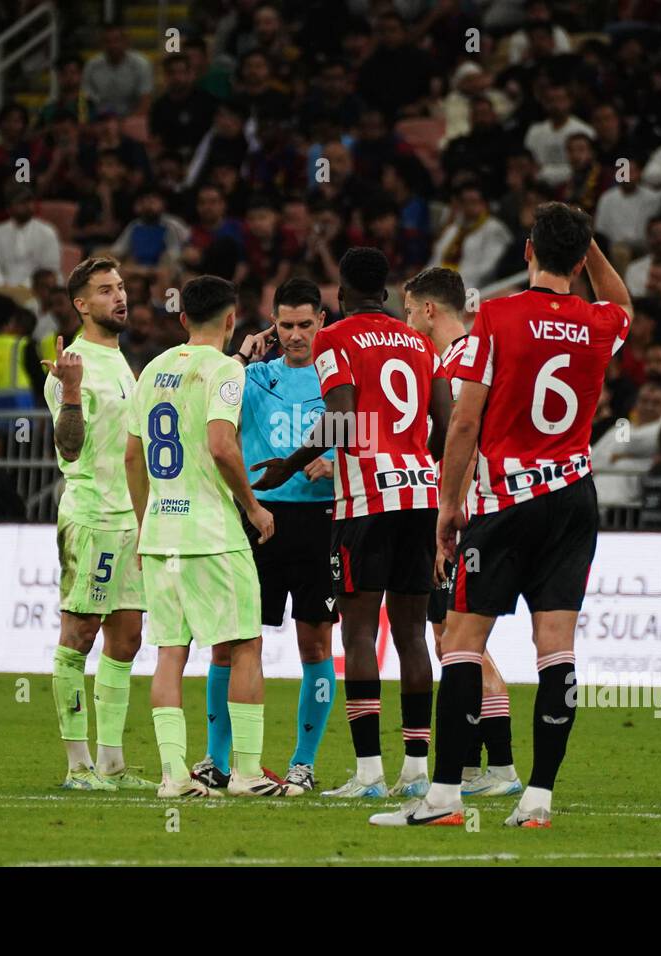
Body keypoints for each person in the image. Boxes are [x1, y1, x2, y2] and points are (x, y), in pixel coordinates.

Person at [369, 203, 631, 828]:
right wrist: (586, 246)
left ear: (528, 252)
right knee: (556, 650)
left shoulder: (499, 318)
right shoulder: (598, 323)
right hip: (573, 496)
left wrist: (450, 506)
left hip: (507, 501)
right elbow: (623, 304)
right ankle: (537, 799)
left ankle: (444, 798)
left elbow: (463, 420)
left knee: (461, 643)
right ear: (582, 256)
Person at [253, 247, 452, 800]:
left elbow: (339, 421)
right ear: (387, 293)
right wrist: (416, 458)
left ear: (340, 295)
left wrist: (289, 464)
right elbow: (447, 422)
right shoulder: (420, 342)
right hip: (421, 494)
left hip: (365, 499)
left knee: (360, 631)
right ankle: (416, 769)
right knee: (413, 634)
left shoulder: (335, 338)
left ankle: (368, 774)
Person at [124, 274, 297, 798]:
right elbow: (222, 445)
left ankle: (173, 776)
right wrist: (254, 507)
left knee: (170, 652)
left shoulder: (152, 368)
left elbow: (132, 456)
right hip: (212, 533)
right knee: (244, 643)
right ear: (230, 319)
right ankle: (245, 772)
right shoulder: (225, 370)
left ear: (182, 320)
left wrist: (142, 524)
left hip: (161, 534)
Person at [189, 278, 338, 794]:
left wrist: (334, 464)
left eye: (305, 324)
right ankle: (217, 760)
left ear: (322, 320)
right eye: (286, 325)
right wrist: (239, 354)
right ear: (273, 325)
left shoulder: (336, 380)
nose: (296, 335)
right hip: (258, 519)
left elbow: (365, 435)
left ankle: (303, 762)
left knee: (316, 641)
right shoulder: (250, 376)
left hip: (319, 522)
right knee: (230, 642)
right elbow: (211, 403)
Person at [403, 266, 521, 797]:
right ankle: (478, 766)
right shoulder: (477, 356)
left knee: (460, 641)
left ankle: (498, 766)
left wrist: (453, 513)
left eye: (409, 310)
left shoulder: (455, 365)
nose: (407, 320)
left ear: (429, 310)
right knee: (453, 639)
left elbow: (463, 441)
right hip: (482, 512)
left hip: (468, 517)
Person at [40, 256, 156, 793]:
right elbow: (68, 447)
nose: (119, 296)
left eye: (122, 286)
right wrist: (68, 392)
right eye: (106, 290)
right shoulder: (71, 364)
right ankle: (76, 765)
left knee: (127, 639)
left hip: (130, 520)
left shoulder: (122, 361)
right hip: (91, 517)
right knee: (79, 635)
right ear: (81, 304)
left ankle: (111, 763)